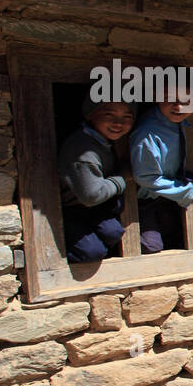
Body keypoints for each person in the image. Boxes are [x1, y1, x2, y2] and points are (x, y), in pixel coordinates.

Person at [57, 97, 135, 263]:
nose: (118, 123)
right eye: (109, 115)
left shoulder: (104, 141)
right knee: (93, 252)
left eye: (127, 117)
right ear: (90, 114)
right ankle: (62, 256)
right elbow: (91, 195)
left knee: (114, 232)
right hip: (70, 209)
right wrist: (121, 179)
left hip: (90, 208)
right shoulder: (83, 151)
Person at [131, 91, 193, 254]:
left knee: (175, 236)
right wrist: (186, 188)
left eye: (187, 100)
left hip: (166, 197)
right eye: (170, 99)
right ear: (155, 96)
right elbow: (146, 177)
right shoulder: (148, 132)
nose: (179, 106)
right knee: (151, 246)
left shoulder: (179, 122)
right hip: (144, 199)